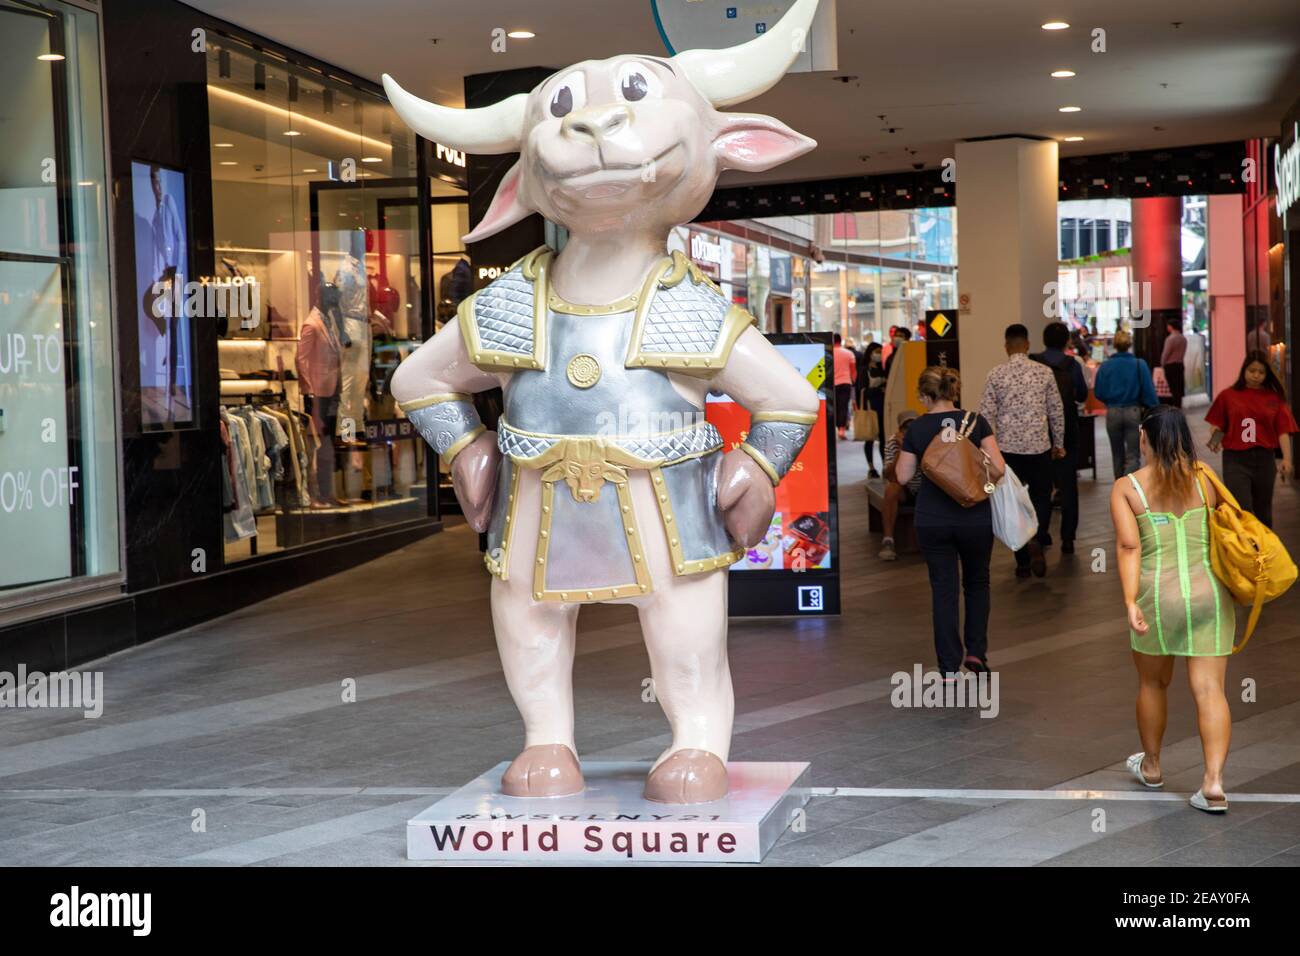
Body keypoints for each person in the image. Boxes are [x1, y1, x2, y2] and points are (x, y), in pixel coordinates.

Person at [1111, 406, 1235, 813]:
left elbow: (1130, 547)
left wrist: (1130, 602)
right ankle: (1213, 784)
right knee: (1209, 690)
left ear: (1144, 437)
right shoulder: (1205, 479)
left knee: (1152, 684)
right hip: (1209, 596)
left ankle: (1152, 766)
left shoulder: (1128, 487)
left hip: (1156, 598)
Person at [895, 367, 1006, 674]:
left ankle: (948, 667)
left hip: (932, 519)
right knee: (977, 583)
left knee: (944, 590)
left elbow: (903, 476)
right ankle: (976, 653)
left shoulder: (917, 428)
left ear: (924, 396)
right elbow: (999, 467)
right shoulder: (976, 421)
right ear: (953, 391)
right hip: (974, 517)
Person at [980, 323, 1065, 578]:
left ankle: (1022, 560)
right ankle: (1037, 537)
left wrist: (987, 451)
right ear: (1027, 345)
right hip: (1039, 447)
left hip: (1007, 450)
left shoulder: (995, 374)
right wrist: (1059, 444)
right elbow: (1056, 411)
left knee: (1013, 501)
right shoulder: (1044, 373)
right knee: (1041, 497)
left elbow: (985, 416)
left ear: (1006, 347)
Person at [1206, 351, 1297, 529]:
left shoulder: (1273, 398)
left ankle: (1265, 550)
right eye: (1252, 370)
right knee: (1242, 508)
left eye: (1261, 372)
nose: (1256, 376)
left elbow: (1283, 431)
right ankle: (1245, 549)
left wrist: (1287, 459)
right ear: (1244, 371)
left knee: (1263, 511)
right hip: (1235, 460)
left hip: (1264, 459)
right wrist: (1215, 439)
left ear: (1266, 374)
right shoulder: (1228, 395)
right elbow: (1219, 423)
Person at [1033, 321, 1088, 553]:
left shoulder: (1033, 362)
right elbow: (1082, 395)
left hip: (1038, 432)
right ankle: (1067, 538)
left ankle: (1040, 532)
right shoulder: (1072, 365)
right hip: (1066, 431)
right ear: (1067, 341)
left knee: (1039, 486)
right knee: (1067, 486)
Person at [1094, 329, 1157, 479]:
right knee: (1133, 454)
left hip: (1113, 412)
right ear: (1129, 345)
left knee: (1117, 454)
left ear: (1114, 345)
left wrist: (1111, 401)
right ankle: (1130, 487)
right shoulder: (1138, 364)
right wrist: (1154, 408)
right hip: (1133, 411)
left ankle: (1119, 486)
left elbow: (1098, 392)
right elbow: (1148, 391)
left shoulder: (1105, 366)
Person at [878, 410, 921, 561]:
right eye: (906, 428)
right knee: (891, 489)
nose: (910, 431)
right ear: (900, 430)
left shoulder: (926, 440)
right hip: (905, 488)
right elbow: (889, 476)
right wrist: (903, 451)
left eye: (913, 427)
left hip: (924, 488)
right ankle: (888, 540)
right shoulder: (892, 442)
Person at [862, 342, 886, 477]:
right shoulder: (864, 369)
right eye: (877, 351)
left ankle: (884, 465)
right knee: (870, 437)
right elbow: (862, 390)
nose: (879, 354)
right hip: (870, 407)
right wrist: (879, 389)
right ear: (871, 353)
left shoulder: (881, 367)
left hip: (882, 406)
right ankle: (871, 467)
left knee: (883, 437)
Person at [832, 332, 858, 440]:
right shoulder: (848, 353)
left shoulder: (828, 353)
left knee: (835, 406)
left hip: (833, 384)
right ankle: (842, 430)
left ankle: (835, 428)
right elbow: (853, 371)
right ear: (840, 340)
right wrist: (854, 382)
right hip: (845, 383)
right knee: (843, 407)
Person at [1161, 317, 1187, 407]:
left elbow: (1166, 353)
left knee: (1173, 388)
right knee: (1179, 388)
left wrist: (1162, 364)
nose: (1167, 327)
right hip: (1180, 365)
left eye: (1168, 326)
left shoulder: (1170, 339)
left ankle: (1174, 406)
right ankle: (1178, 406)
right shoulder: (1183, 338)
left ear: (1171, 327)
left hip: (1170, 366)